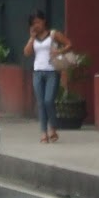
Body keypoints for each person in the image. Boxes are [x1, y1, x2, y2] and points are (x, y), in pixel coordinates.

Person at [23, 11, 74, 144]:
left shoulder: (53, 34)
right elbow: (27, 53)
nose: (36, 25)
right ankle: (43, 132)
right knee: (40, 103)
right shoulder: (33, 38)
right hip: (38, 72)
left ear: (44, 21)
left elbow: (69, 44)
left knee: (48, 101)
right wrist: (31, 37)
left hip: (52, 71)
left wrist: (59, 51)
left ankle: (53, 127)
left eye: (38, 22)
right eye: (34, 23)